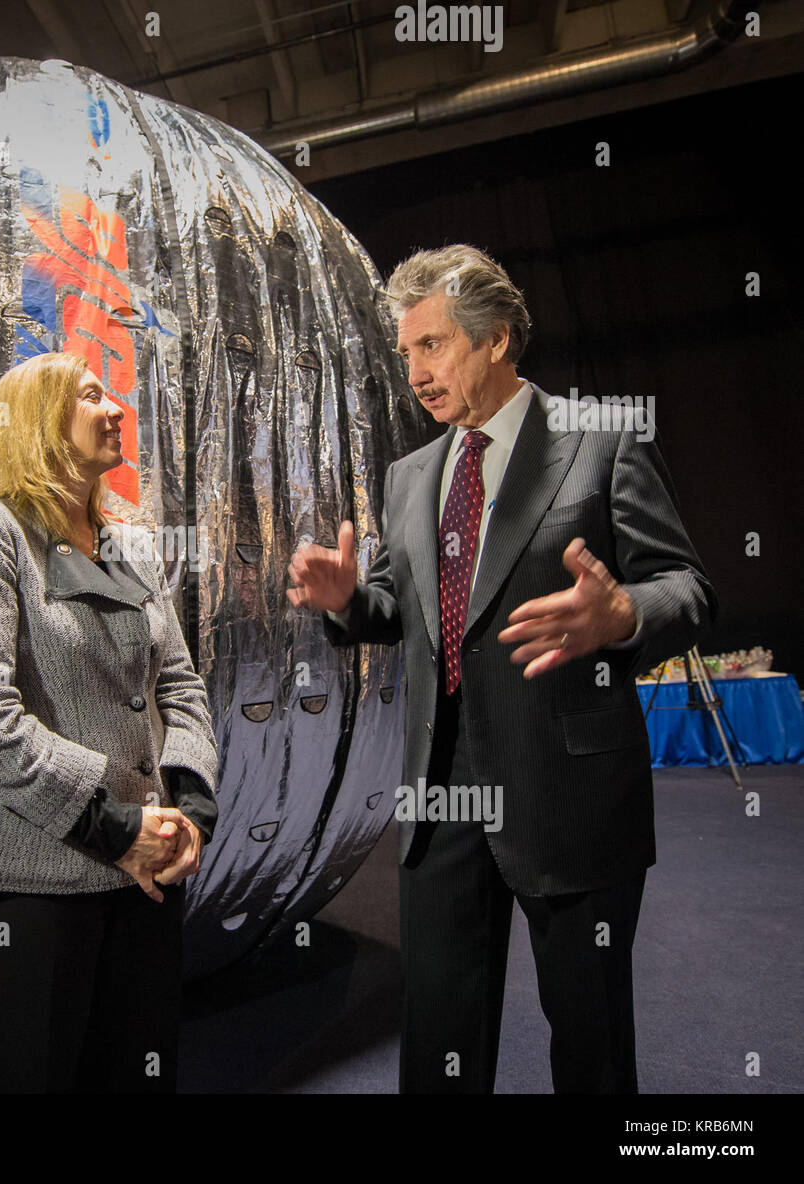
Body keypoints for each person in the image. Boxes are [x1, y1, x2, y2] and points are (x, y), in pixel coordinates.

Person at [287, 244, 715, 1093]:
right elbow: (399, 604)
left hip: (569, 793)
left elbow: (691, 589)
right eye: (406, 351)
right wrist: (347, 600)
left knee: (591, 1046)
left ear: (498, 340)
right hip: (441, 794)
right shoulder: (411, 477)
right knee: (439, 1043)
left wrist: (622, 614)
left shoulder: (600, 441)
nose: (414, 372)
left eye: (433, 345)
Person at [0, 350, 218, 1093]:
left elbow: (177, 683)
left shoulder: (133, 545)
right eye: (91, 395)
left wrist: (190, 808)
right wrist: (113, 829)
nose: (115, 407)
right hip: (37, 884)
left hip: (146, 873)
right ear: (38, 425)